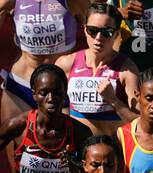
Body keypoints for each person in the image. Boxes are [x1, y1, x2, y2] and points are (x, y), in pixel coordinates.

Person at [0, 0, 93, 128]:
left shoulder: (73, 2)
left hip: (61, 87)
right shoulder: (7, 1)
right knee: (13, 142)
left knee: (64, 143)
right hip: (21, 84)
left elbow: (97, 30)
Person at [56, 2, 140, 136]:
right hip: (76, 151)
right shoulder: (66, 64)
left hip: (110, 151)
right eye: (92, 31)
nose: (98, 38)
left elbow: (140, 123)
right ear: (84, 29)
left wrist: (113, 101)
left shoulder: (127, 70)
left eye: (107, 32)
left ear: (117, 34)